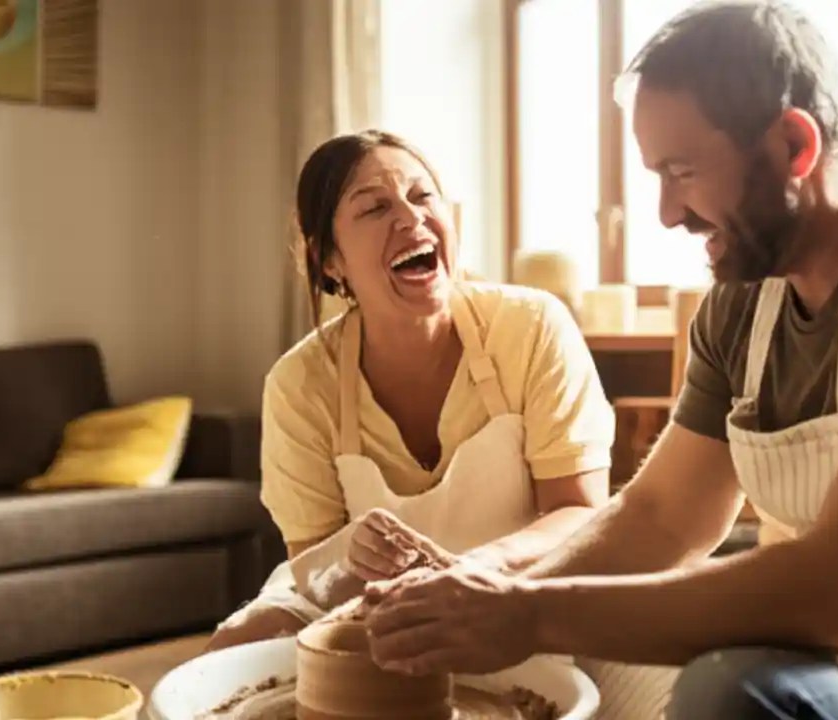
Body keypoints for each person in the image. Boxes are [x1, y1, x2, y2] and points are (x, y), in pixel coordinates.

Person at [360, 2, 838, 719]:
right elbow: (662, 517)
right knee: (584, 660)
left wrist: (528, 614)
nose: (667, 212)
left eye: (682, 172)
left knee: (735, 690)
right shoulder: (744, 300)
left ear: (794, 145)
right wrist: (483, 596)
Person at [205, 130, 615, 651]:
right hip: (364, 602)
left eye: (423, 196)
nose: (410, 217)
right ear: (329, 259)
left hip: (527, 585)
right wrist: (350, 559)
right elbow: (313, 570)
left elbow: (579, 513)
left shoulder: (532, 326)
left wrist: (473, 573)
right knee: (235, 646)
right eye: (375, 208)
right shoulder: (299, 384)